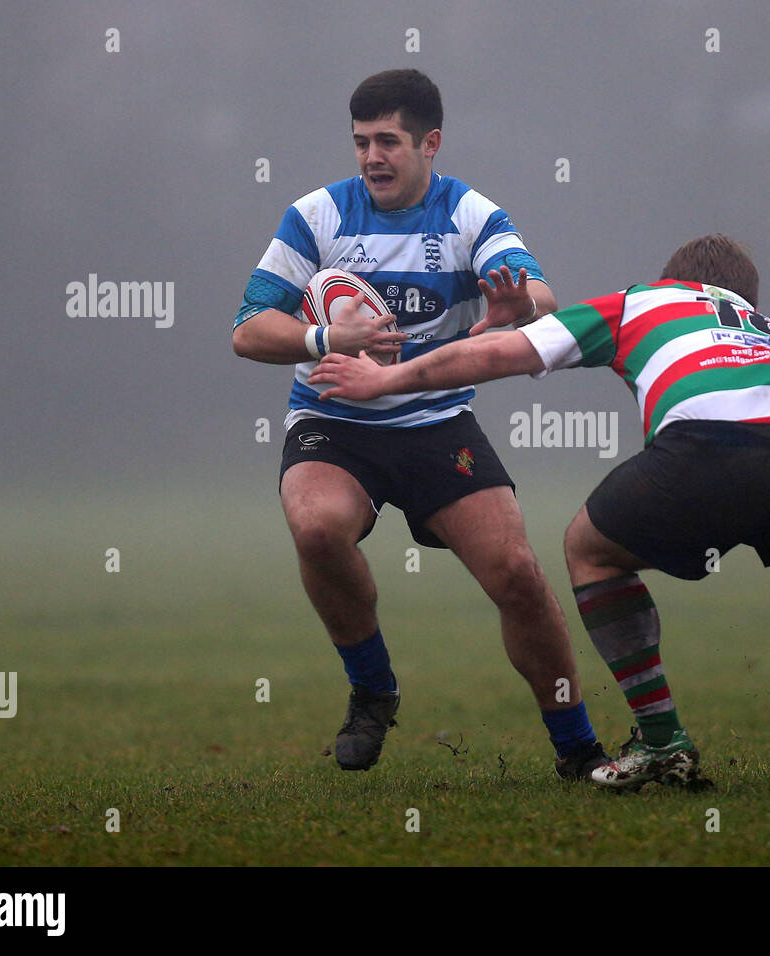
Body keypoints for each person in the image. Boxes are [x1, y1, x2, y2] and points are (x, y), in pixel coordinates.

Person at [307, 234, 770, 793]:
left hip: (712, 445)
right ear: (748, 298)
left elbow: (498, 357)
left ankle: (663, 741)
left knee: (589, 549)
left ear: (670, 278)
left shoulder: (642, 301)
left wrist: (388, 380)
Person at [231, 69, 607, 779]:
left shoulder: (469, 214)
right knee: (316, 528)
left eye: (389, 142)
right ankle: (373, 687)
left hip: (436, 422)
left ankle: (578, 749)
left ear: (430, 144)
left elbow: (543, 294)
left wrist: (513, 310)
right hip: (334, 419)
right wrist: (326, 342)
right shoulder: (315, 217)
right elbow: (249, 330)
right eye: (361, 142)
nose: (372, 156)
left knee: (519, 575)